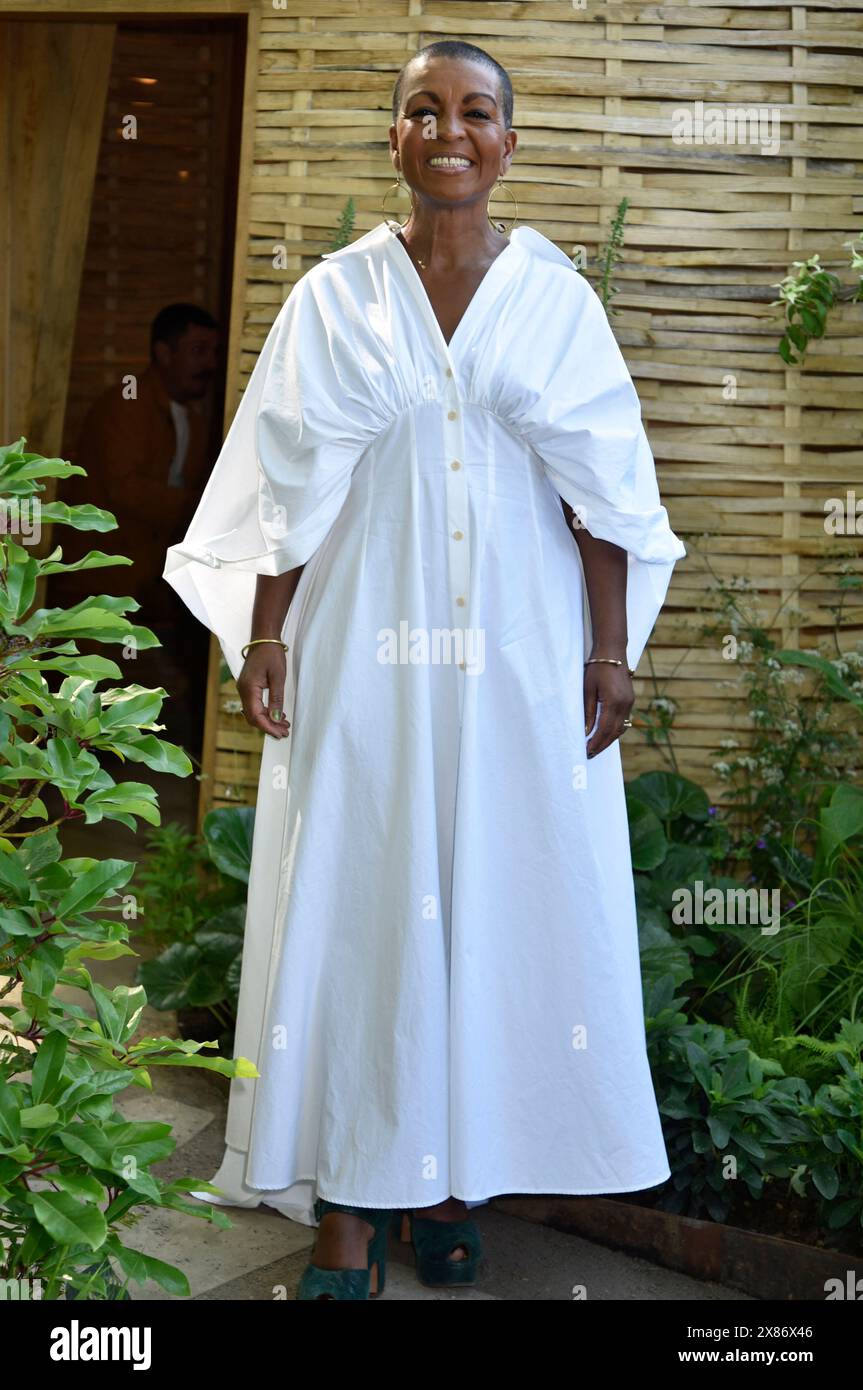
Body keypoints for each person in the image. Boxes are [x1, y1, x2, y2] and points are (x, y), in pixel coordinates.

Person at [163, 39, 686, 1300]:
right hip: (367, 654)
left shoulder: (556, 300)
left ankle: (448, 1184)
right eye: (422, 110)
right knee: (365, 898)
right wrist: (270, 632)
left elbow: (601, 497)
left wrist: (607, 652)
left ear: (509, 139)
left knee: (491, 902)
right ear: (392, 137)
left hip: (516, 656)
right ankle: (349, 1209)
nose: (449, 131)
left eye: (474, 111)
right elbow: (291, 487)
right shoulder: (333, 298)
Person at [53, 305, 219, 748]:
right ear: (163, 353)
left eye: (213, 351)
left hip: (149, 573)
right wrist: (199, 511)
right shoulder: (125, 404)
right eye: (198, 350)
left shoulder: (197, 418)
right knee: (85, 685)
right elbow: (125, 489)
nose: (210, 363)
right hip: (101, 573)